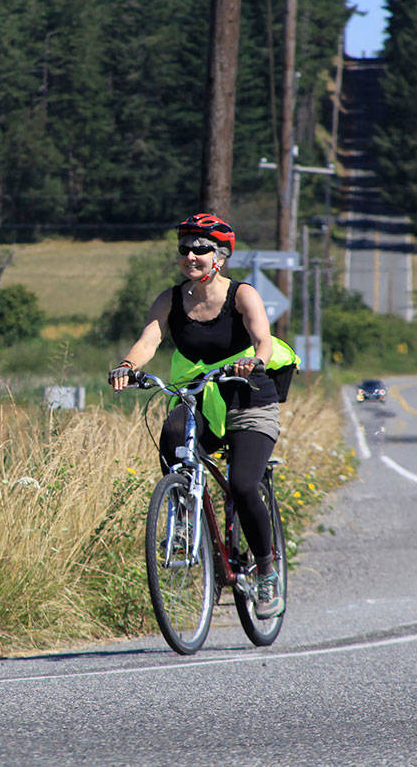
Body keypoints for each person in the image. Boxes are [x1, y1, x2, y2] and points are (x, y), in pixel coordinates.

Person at [107, 212, 298, 618]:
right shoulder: (171, 299)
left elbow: (262, 338)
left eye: (201, 249)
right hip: (198, 395)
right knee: (172, 439)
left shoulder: (242, 294)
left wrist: (254, 364)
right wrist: (128, 365)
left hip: (248, 397)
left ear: (221, 256)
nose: (191, 255)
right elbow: (150, 338)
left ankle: (266, 573)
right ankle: (183, 521)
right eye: (185, 249)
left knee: (243, 484)